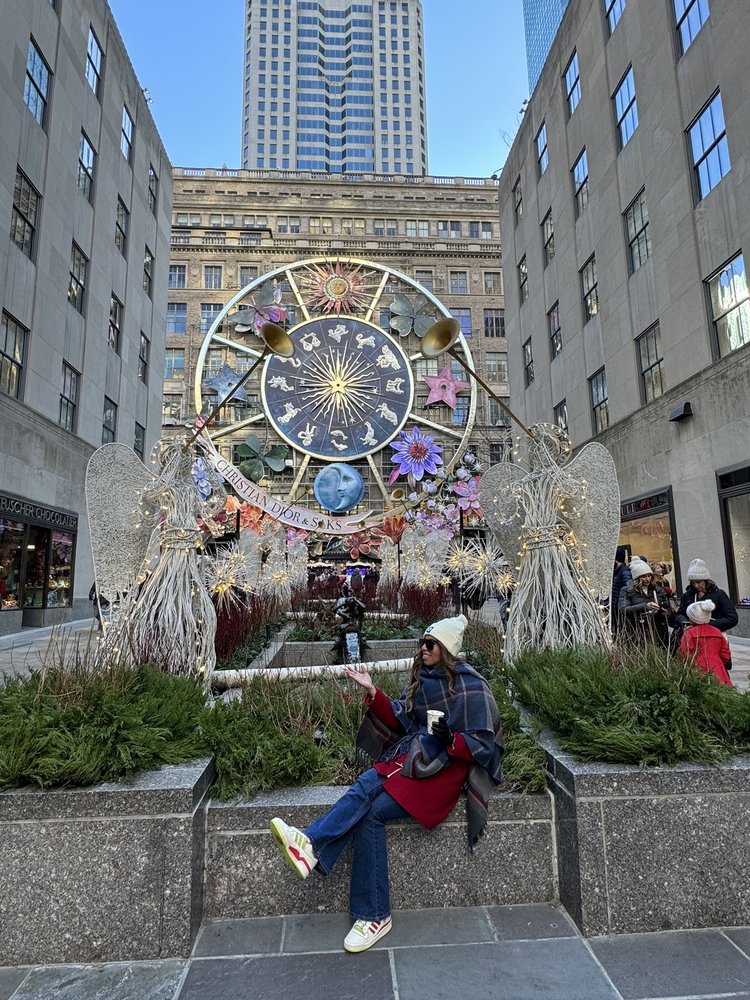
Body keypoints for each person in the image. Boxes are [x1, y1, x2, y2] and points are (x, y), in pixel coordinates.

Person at [269, 614, 503, 954]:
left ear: (447, 650)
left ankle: (311, 844)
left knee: (368, 780)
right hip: (416, 765)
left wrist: (451, 739)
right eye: (422, 642)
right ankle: (374, 916)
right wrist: (372, 690)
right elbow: (402, 717)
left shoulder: (473, 686)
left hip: (442, 776)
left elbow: (484, 744)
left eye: (431, 643)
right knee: (371, 813)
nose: (423, 648)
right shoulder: (423, 681)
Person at [672, 559, 738, 634]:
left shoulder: (719, 594)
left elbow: (732, 618)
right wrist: (685, 623)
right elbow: (679, 614)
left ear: (706, 581)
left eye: (699, 582)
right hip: (692, 636)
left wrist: (707, 626)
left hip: (714, 636)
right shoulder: (687, 595)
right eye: (693, 583)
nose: (696, 585)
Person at [618, 557, 670, 648]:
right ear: (637, 578)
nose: (647, 579)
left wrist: (664, 610)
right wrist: (645, 606)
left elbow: (666, 605)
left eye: (649, 576)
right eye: (644, 576)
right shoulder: (627, 590)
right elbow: (623, 609)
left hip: (657, 629)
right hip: (637, 630)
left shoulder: (657, 589)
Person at [679, 600, 733, 686]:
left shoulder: (689, 634)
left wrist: (689, 667)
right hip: (717, 667)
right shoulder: (717, 632)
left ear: (691, 619)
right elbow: (725, 653)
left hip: (697, 668)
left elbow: (684, 654)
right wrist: (719, 662)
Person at [610, 546, 632, 637]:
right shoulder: (617, 572)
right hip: (616, 606)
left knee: (621, 632)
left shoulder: (624, 572)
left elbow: (628, 589)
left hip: (620, 608)